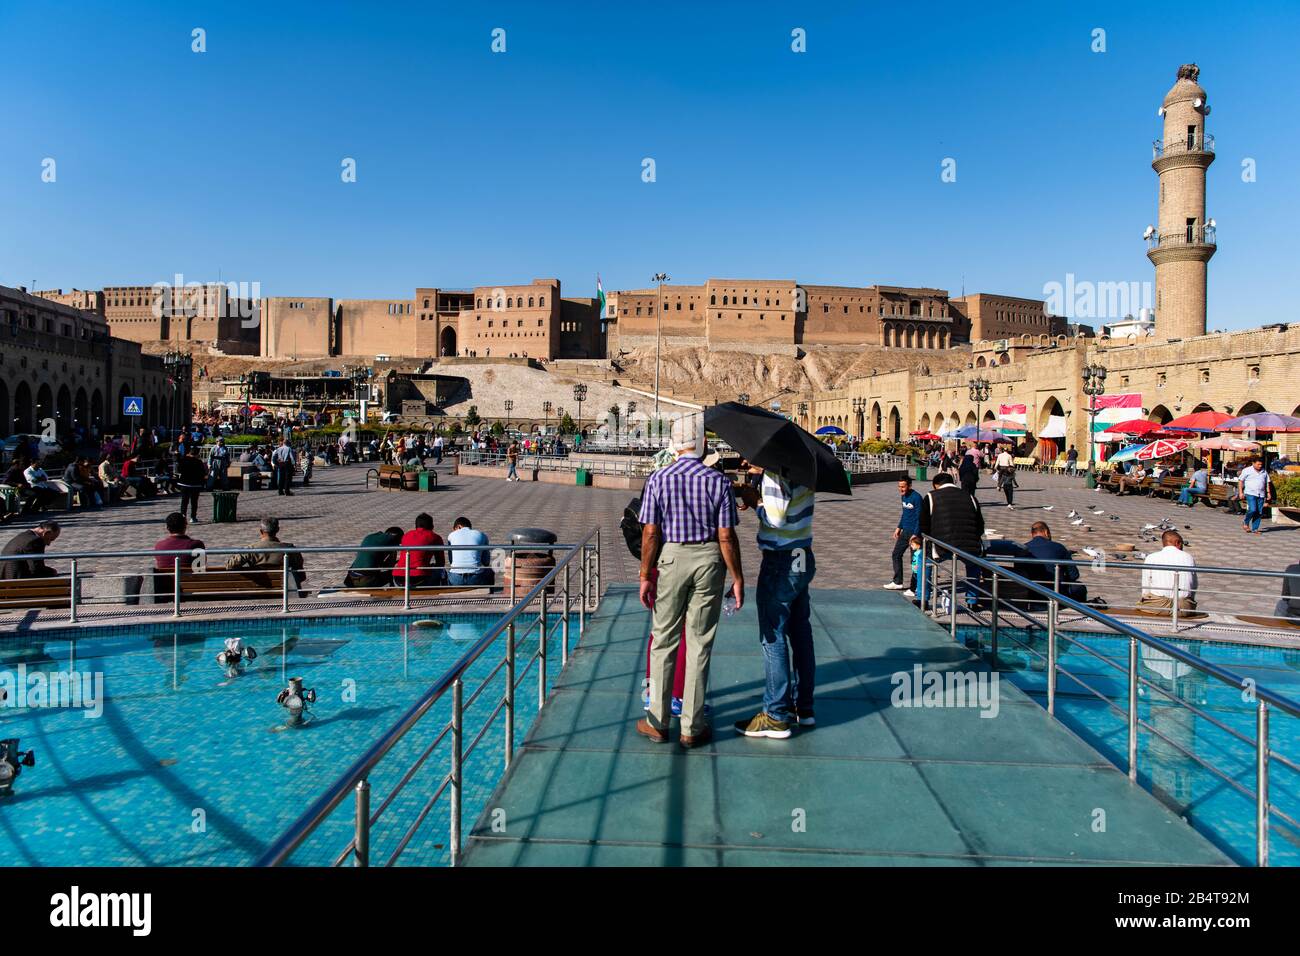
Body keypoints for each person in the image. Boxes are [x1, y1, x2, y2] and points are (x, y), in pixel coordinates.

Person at [636, 414, 743, 749]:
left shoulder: (658, 478)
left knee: (663, 639)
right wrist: (737, 577)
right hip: (710, 560)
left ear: (674, 444)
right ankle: (691, 727)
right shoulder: (719, 482)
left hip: (670, 559)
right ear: (703, 444)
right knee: (698, 643)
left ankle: (657, 721)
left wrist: (645, 574)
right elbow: (727, 536)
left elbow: (650, 532)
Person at [732, 460, 817, 738]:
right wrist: (757, 496)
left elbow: (775, 518)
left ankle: (776, 714)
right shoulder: (804, 471)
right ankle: (803, 708)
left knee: (773, 634)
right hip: (802, 555)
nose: (746, 459)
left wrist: (756, 503)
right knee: (800, 632)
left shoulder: (775, 475)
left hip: (780, 560)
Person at [918, 472, 985, 605]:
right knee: (973, 565)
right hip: (969, 545)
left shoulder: (931, 496)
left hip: (941, 545)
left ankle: (922, 598)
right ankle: (972, 600)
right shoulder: (970, 497)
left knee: (923, 559)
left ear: (936, 485)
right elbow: (980, 526)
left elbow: (923, 526)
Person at [225, 516, 306, 594]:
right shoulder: (289, 549)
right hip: (284, 592)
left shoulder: (251, 549)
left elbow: (230, 565)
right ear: (277, 530)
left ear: (261, 531)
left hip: (257, 591)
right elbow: (301, 575)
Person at [1017, 521, 1087, 602]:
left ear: (1032, 534)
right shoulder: (1058, 547)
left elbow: (1018, 574)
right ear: (1046, 532)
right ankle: (1079, 611)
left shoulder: (1022, 549)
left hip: (1031, 594)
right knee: (1078, 587)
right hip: (1056, 593)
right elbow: (1074, 575)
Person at [152, 512, 205, 603]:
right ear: (185, 526)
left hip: (167, 589)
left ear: (167, 528)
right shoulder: (197, 544)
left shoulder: (159, 546)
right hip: (191, 588)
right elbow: (200, 569)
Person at [1139, 529, 1197, 611]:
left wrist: (1145, 600)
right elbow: (1194, 584)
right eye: (1182, 543)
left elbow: (1146, 586)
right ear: (1177, 542)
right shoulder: (1189, 557)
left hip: (1158, 606)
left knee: (1139, 605)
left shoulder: (1151, 557)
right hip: (1183, 607)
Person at [885, 477, 923, 590]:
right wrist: (899, 527)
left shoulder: (917, 498)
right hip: (905, 531)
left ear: (909, 486)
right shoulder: (903, 496)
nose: (901, 489)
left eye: (903, 486)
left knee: (914, 560)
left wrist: (916, 533)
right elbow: (905, 514)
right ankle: (897, 582)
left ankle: (916, 586)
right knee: (896, 554)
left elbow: (920, 517)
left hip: (914, 534)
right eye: (899, 486)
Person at [392, 513, 446, 588]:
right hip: (419, 580)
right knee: (441, 571)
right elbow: (441, 563)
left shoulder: (407, 535)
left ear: (416, 526)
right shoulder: (435, 537)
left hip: (398, 579)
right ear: (432, 526)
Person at [446, 517, 494, 586]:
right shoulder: (482, 535)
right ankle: (489, 596)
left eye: (454, 530)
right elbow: (486, 562)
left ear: (458, 527)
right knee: (490, 571)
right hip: (476, 578)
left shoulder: (451, 536)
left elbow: (451, 561)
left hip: (456, 578)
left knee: (447, 574)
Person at [175, 446, 208, 523]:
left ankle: (183, 516)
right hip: (195, 484)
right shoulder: (199, 462)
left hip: (184, 483)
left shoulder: (184, 460)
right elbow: (203, 473)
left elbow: (179, 470)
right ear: (197, 454)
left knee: (184, 501)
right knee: (194, 502)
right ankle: (193, 517)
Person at [1238, 457, 1271, 534]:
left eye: (1261, 464)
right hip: (1250, 493)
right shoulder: (1247, 470)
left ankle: (1255, 528)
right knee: (1253, 509)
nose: (1260, 466)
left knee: (1259, 512)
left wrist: (1268, 492)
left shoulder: (1264, 471)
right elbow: (1240, 481)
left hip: (1261, 494)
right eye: (1258, 464)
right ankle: (1246, 522)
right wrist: (1240, 492)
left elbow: (1267, 482)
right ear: (1253, 463)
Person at [1274, 556, 1300, 620]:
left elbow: (1285, 596)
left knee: (1281, 604)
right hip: (1295, 614)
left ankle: (1277, 627)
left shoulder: (1291, 569)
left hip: (1293, 615)